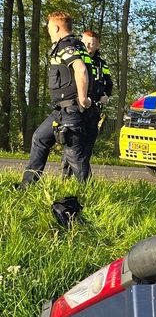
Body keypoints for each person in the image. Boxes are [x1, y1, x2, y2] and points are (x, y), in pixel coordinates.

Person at [21, 12, 92, 187]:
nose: (48, 30)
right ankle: (27, 186)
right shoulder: (76, 45)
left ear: (56, 27)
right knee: (40, 138)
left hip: (72, 109)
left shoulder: (66, 46)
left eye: (48, 26)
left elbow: (80, 70)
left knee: (74, 153)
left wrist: (83, 99)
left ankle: (89, 192)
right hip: (61, 109)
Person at [64, 29, 112, 178]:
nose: (89, 46)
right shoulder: (75, 58)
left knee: (88, 144)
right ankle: (66, 179)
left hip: (94, 109)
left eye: (93, 43)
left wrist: (105, 96)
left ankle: (82, 181)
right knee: (72, 143)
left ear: (98, 45)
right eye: (86, 42)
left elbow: (108, 84)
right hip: (76, 106)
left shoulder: (102, 64)